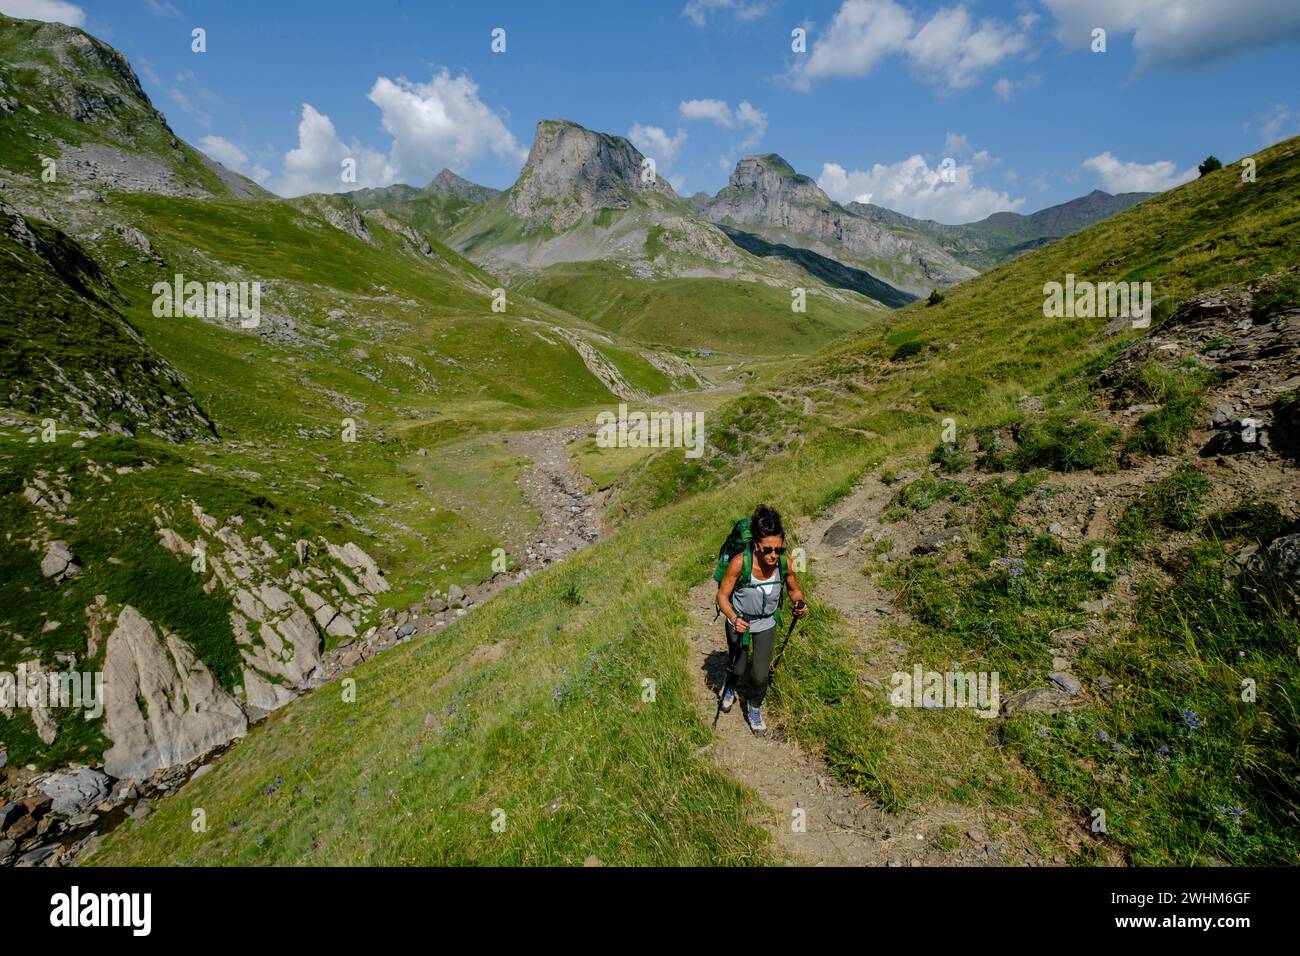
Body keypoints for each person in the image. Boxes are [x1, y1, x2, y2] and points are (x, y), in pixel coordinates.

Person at [715, 504, 808, 735]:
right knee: (738, 666)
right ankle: (730, 686)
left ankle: (754, 707)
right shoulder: (739, 563)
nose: (773, 555)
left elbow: (794, 589)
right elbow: (722, 596)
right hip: (740, 621)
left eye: (778, 548)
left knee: (760, 673)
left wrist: (800, 603)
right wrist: (734, 618)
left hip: (766, 622)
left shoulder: (784, 563)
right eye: (768, 550)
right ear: (756, 544)